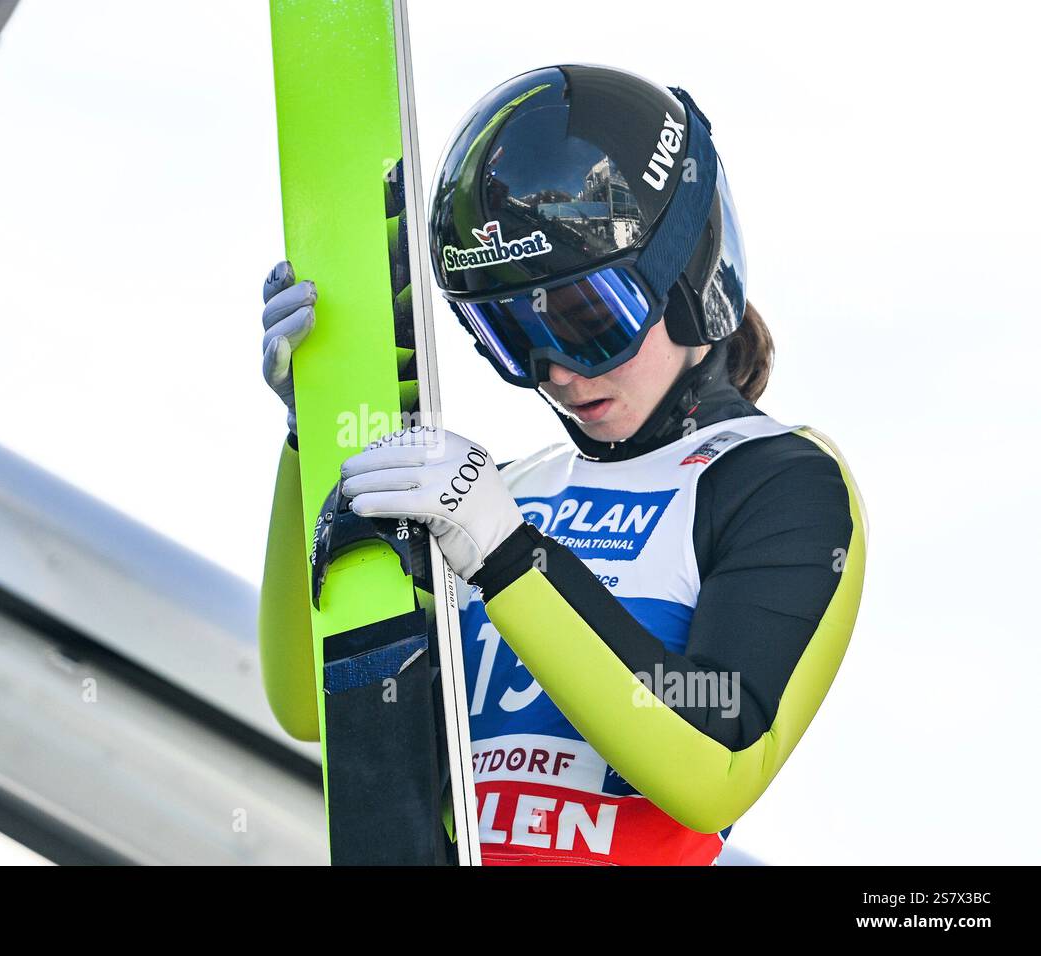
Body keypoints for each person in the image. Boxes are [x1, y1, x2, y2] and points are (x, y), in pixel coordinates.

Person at [258, 65, 867, 866]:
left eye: (587, 322)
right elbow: (311, 705)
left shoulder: (778, 482)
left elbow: (717, 768)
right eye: (511, 336)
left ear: (686, 278)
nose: (558, 374)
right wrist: (316, 439)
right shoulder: (500, 493)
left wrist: (510, 557)